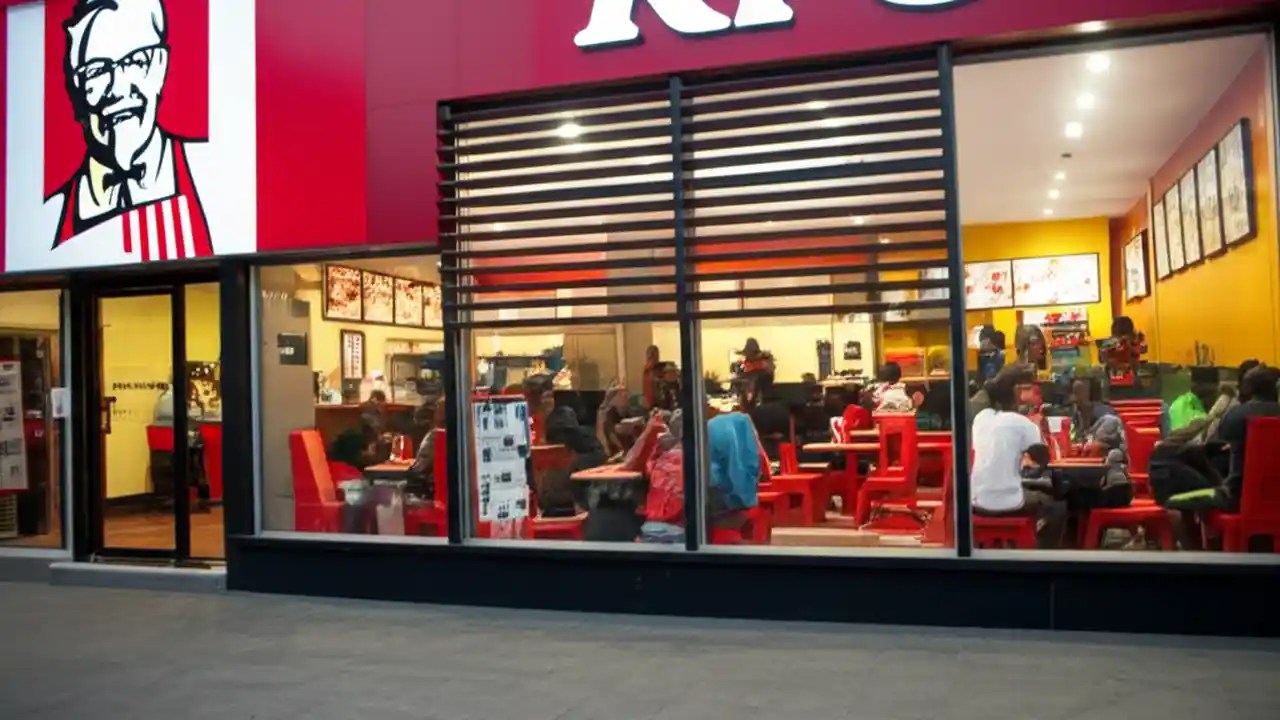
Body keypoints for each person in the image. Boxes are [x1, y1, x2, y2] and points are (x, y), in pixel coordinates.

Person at [46, 0, 216, 261]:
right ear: (76, 89)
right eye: (97, 70)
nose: (118, 88)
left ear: (160, 67)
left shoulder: (211, 175)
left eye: (136, 62)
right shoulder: (49, 220)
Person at [970, 365, 1067, 548]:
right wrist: (1037, 427)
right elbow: (1044, 460)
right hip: (1006, 502)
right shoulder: (1022, 423)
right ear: (1016, 391)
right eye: (1027, 388)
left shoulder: (981, 417)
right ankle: (1044, 555)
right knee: (1056, 506)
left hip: (974, 500)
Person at [1215, 365, 1280, 511]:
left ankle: (1210, 533)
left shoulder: (1234, 415)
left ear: (1247, 389)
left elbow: (1222, 444)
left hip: (1239, 498)